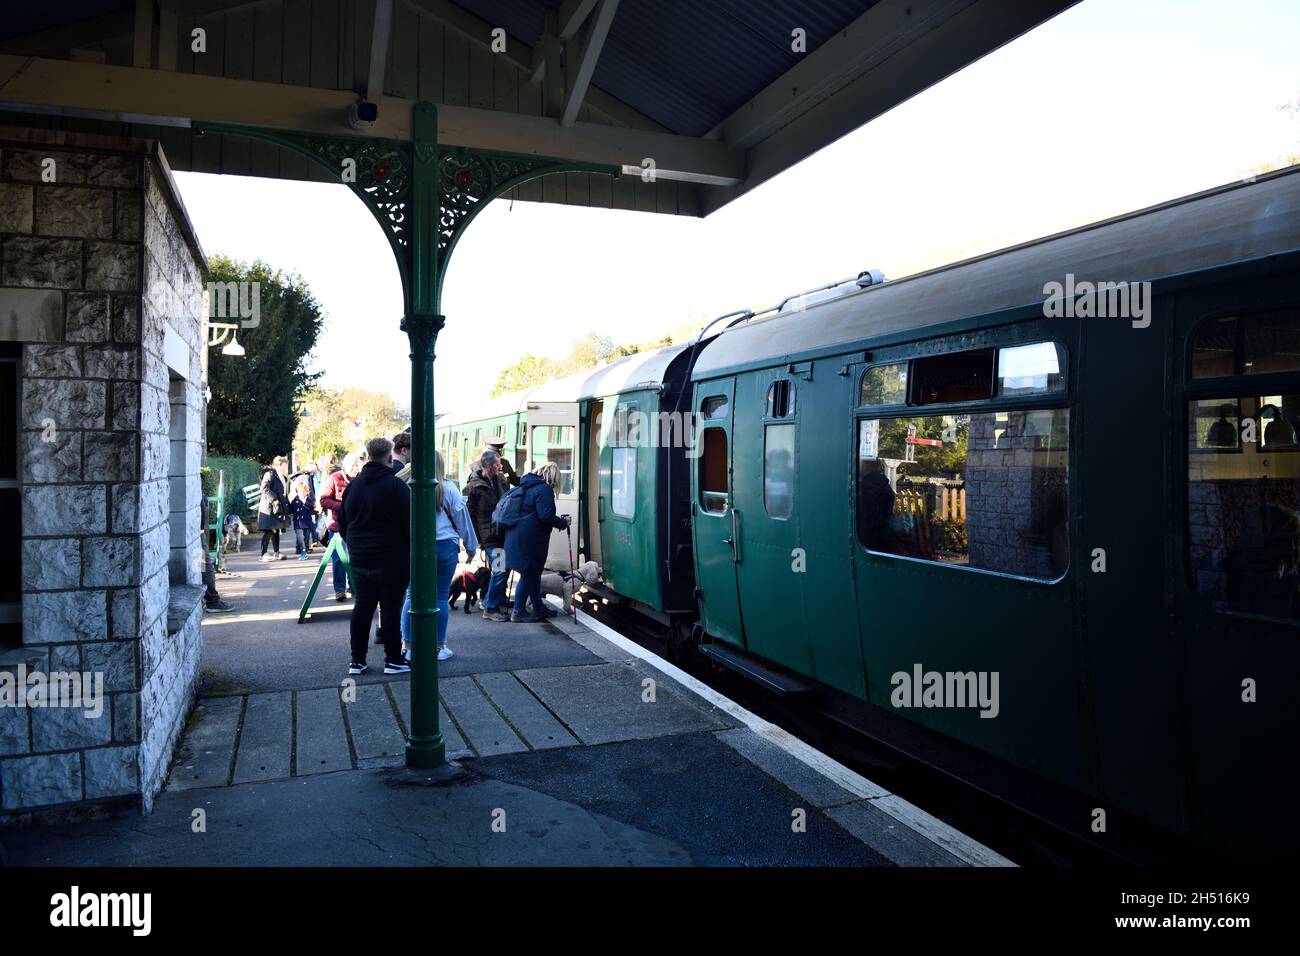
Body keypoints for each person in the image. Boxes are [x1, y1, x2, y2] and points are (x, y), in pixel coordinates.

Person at [338, 437, 411, 676]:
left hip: (360, 557)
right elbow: (409, 524)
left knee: (363, 606)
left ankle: (357, 660)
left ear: (368, 457)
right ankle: (393, 659)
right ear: (390, 458)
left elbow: (343, 523)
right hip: (391, 557)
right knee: (391, 607)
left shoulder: (353, 487)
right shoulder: (396, 487)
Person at [398, 451, 478, 661]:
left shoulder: (404, 486)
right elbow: (463, 521)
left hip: (414, 546)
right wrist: (471, 548)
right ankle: (439, 646)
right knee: (441, 596)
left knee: (411, 594)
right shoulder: (448, 488)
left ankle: (408, 646)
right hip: (445, 547)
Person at [504, 461, 570, 623]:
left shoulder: (525, 486)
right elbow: (545, 516)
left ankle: (538, 608)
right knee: (528, 574)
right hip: (531, 541)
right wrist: (563, 522)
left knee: (533, 575)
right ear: (553, 477)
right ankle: (518, 611)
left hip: (517, 537)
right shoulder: (544, 489)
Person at [463, 449, 510, 621]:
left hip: (503, 533)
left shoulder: (502, 481)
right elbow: (469, 516)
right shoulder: (473, 488)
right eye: (498, 465)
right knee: (499, 571)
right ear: (489, 466)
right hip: (489, 537)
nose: (500, 468)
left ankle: (491, 601)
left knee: (502, 569)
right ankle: (490, 608)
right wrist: (477, 540)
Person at [320, 452, 362, 600]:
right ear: (345, 465)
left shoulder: (362, 479)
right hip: (337, 526)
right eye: (352, 464)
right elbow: (324, 500)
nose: (354, 467)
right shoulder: (334, 478)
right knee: (338, 559)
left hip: (356, 526)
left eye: (357, 464)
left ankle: (354, 587)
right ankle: (339, 590)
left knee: (355, 558)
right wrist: (344, 506)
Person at [199, 495, 232, 613]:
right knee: (204, 564)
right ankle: (211, 600)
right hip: (196, 531)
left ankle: (209, 599)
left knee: (202, 565)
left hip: (195, 530)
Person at [257, 455, 291, 562]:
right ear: (280, 465)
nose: (286, 467)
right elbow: (263, 488)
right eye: (285, 465)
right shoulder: (270, 474)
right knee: (269, 531)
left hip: (278, 507)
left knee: (276, 529)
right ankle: (263, 554)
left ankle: (276, 552)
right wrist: (274, 499)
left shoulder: (281, 475)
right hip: (269, 507)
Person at [289, 476, 315, 560]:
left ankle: (306, 549)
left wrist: (304, 502)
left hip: (307, 522)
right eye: (300, 492)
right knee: (300, 537)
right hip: (298, 523)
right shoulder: (295, 500)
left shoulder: (308, 500)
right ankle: (302, 551)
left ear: (307, 492)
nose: (302, 494)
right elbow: (291, 509)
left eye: (304, 492)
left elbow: (310, 508)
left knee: (306, 537)